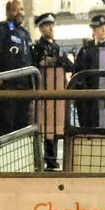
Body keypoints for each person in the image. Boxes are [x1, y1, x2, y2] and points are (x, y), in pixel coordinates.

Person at [0, 0, 36, 136]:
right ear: (8, 12)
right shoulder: (0, 31)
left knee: (22, 126)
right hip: (7, 87)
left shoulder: (25, 34)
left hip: (24, 88)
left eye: (22, 9)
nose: (20, 13)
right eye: (15, 9)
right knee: (5, 126)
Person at [31, 13, 73, 169]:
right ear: (41, 28)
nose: (51, 28)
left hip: (58, 93)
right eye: (48, 25)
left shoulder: (56, 47)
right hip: (47, 92)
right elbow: (38, 64)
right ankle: (49, 158)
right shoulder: (37, 48)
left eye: (52, 25)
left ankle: (52, 157)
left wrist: (55, 60)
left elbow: (69, 66)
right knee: (47, 126)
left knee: (56, 125)